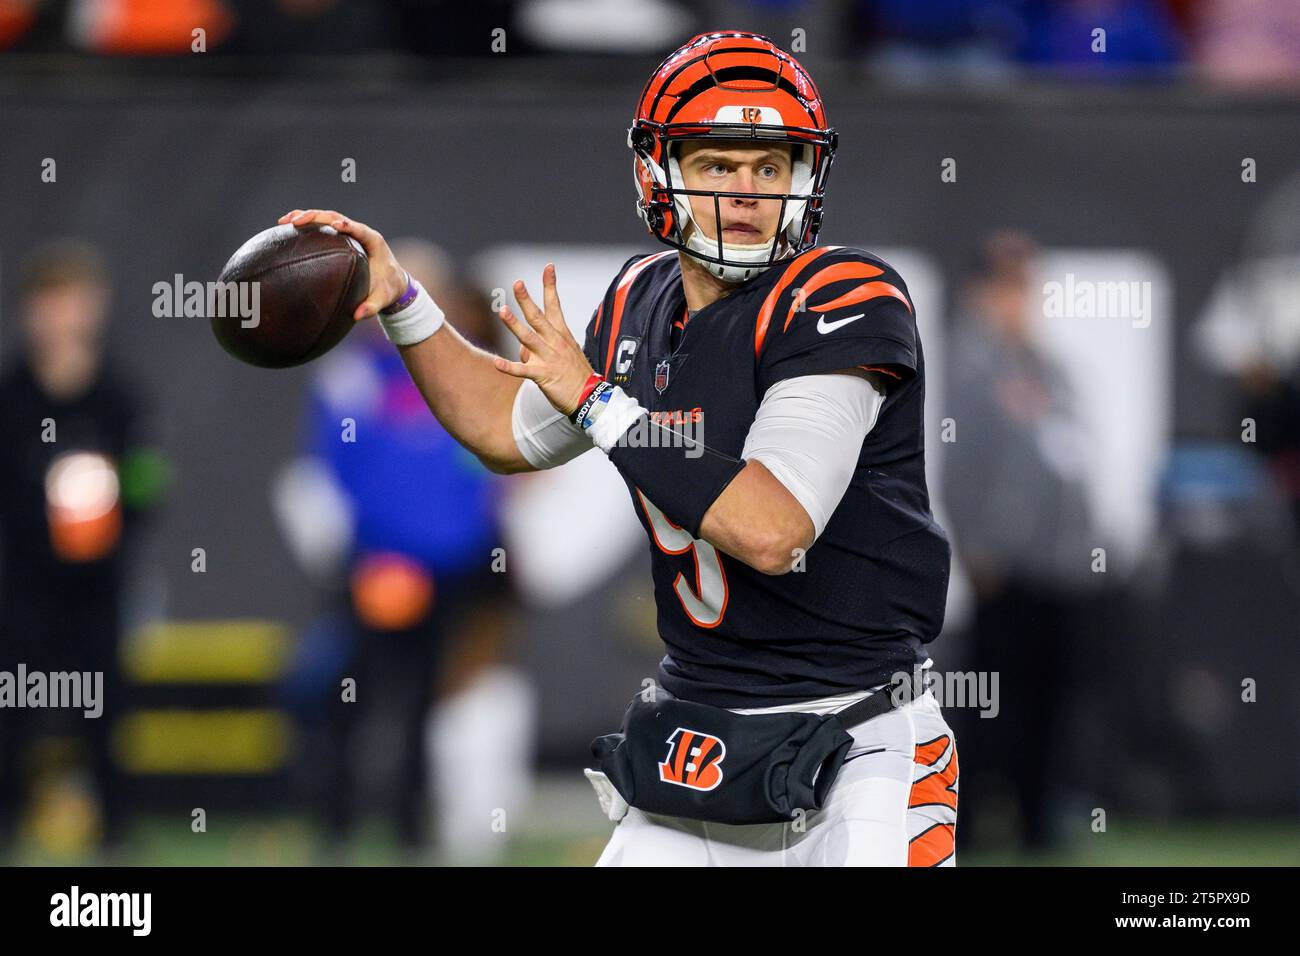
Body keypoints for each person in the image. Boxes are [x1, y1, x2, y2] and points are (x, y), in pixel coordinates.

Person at [275, 31, 955, 866]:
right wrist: (405, 304)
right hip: (698, 730)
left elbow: (774, 529)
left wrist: (597, 402)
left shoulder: (842, 295)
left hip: (855, 740)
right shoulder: (638, 297)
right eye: (717, 164)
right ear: (657, 172)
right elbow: (506, 430)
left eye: (770, 168)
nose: (747, 193)